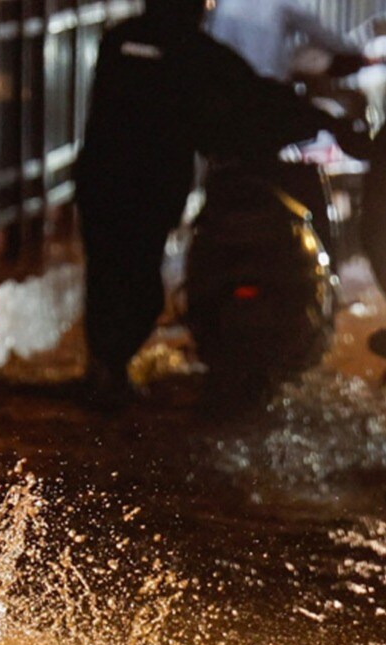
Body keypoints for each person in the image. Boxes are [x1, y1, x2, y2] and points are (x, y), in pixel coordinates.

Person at [75, 0, 370, 408]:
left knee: (110, 280)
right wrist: (328, 123)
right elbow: (249, 99)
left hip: (105, 187)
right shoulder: (191, 52)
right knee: (137, 287)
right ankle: (108, 378)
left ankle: (105, 374)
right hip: (145, 192)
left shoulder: (123, 41)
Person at [207, 0, 363, 82]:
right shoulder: (281, 3)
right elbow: (320, 33)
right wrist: (355, 50)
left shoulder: (222, 4)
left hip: (224, 81)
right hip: (267, 83)